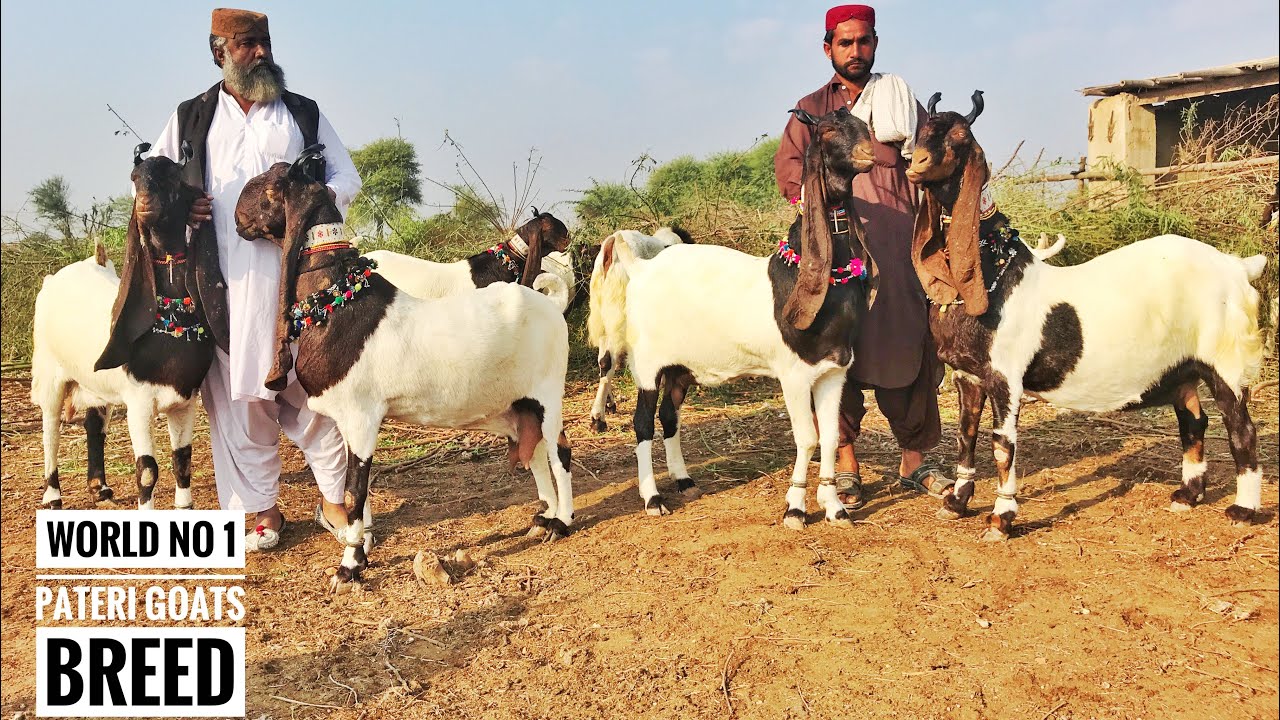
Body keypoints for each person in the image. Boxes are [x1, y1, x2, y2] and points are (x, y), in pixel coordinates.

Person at [149, 8, 362, 550]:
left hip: (298, 284)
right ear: (218, 50)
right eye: (247, 44)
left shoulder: (300, 113)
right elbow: (150, 181)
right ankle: (261, 512)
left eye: (265, 42)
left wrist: (306, 205)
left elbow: (346, 177)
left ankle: (336, 503)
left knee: (316, 393)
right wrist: (180, 204)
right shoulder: (191, 117)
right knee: (237, 404)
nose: (262, 53)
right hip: (221, 286)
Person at [774, 4, 952, 510]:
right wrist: (819, 202)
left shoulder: (900, 100)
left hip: (899, 247)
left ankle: (915, 461)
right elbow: (789, 171)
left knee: (911, 344)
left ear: (876, 43)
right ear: (827, 47)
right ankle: (844, 462)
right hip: (836, 250)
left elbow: (932, 157)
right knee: (835, 349)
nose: (856, 51)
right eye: (845, 42)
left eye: (864, 41)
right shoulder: (811, 109)